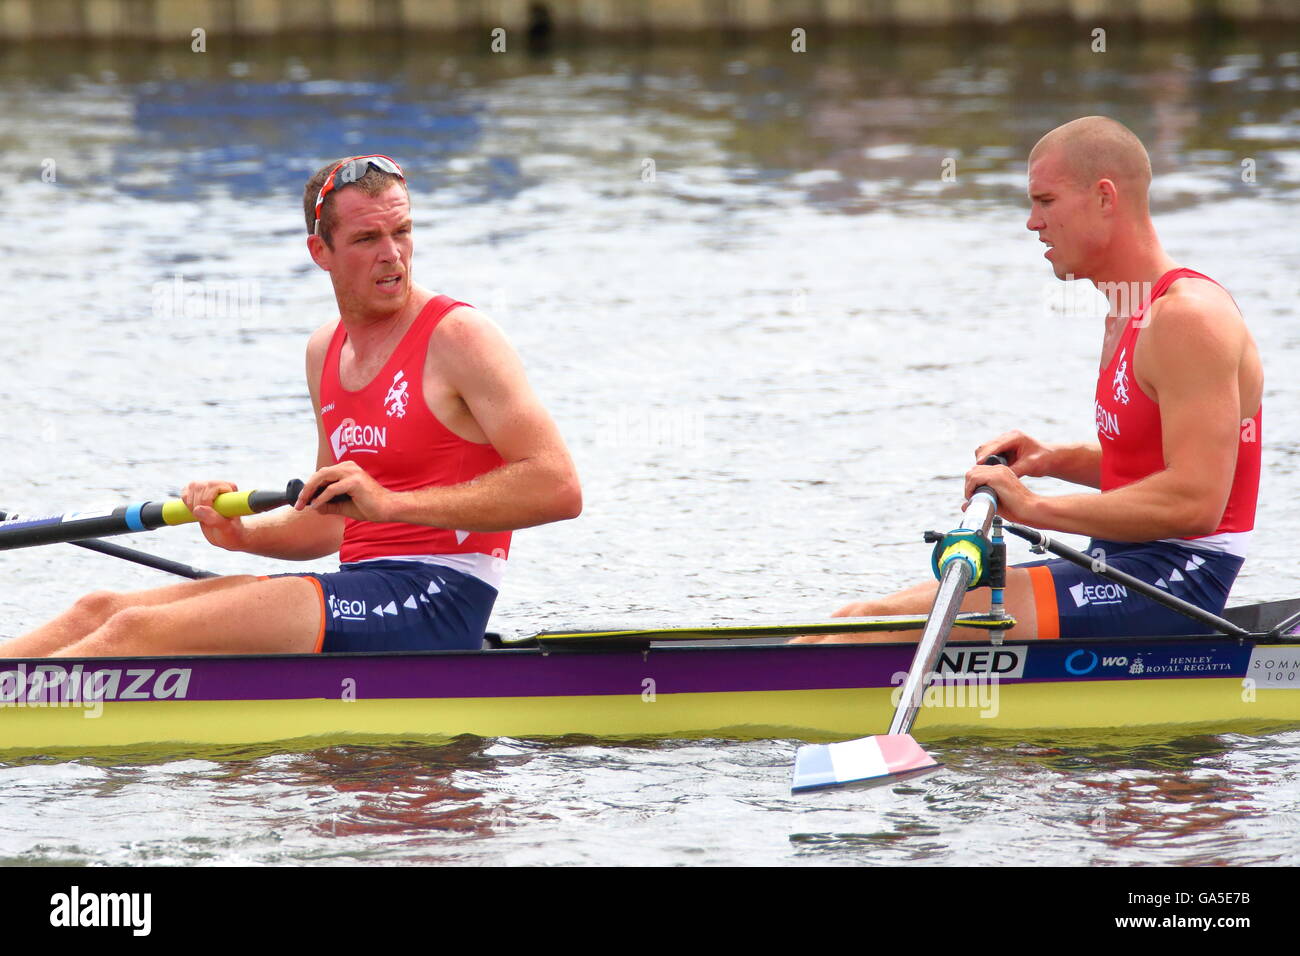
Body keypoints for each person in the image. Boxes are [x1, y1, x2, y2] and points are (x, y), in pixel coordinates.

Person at [4, 154, 582, 657]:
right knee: (99, 609)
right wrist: (239, 534)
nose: (393, 255)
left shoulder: (458, 337)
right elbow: (328, 521)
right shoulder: (324, 350)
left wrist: (391, 504)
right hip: (362, 588)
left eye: (402, 232)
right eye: (366, 239)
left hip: (438, 598)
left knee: (133, 631)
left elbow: (558, 487)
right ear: (319, 251)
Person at [797, 116, 1262, 643]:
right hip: (1122, 564)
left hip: (1177, 582)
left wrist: (1035, 508)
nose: (1032, 223)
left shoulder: (1187, 318)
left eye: (1046, 201)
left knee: (862, 632)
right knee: (853, 618)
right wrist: (1051, 459)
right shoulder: (1128, 310)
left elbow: (1196, 502)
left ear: (1104, 197)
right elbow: (1149, 464)